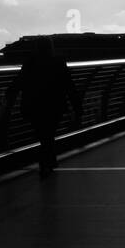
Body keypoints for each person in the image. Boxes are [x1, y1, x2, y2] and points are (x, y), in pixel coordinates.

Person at [18, 36, 82, 176]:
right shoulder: (58, 62)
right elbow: (69, 86)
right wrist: (77, 107)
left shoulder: (29, 63)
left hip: (34, 105)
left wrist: (10, 95)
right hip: (55, 104)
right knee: (49, 132)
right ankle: (48, 160)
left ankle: (46, 160)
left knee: (42, 133)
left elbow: (19, 82)